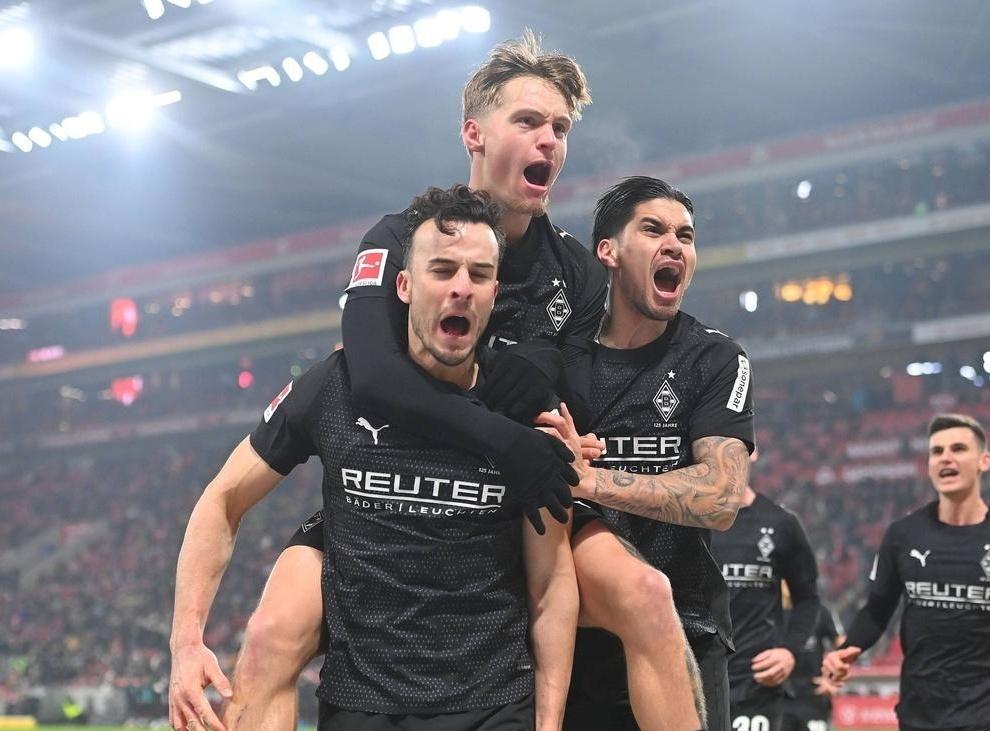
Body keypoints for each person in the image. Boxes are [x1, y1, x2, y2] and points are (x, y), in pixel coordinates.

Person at [171, 32, 707, 731]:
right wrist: (504, 431)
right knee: (273, 632)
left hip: (514, 497)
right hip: (395, 490)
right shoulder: (397, 238)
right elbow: (373, 379)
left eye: (560, 128)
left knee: (646, 595)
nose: (548, 140)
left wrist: (544, 425)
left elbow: (555, 393)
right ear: (474, 133)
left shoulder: (576, 272)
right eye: (527, 121)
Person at [169, 185, 577, 731]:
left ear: (494, 293)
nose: (461, 288)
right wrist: (185, 643)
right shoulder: (333, 389)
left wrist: (548, 724)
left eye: (479, 275)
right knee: (267, 640)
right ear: (403, 286)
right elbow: (223, 499)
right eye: (442, 270)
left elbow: (552, 583)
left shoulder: (526, 410)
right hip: (362, 703)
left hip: (491, 706)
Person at [540, 176, 755, 731]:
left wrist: (589, 480)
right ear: (607, 251)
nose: (674, 245)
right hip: (577, 638)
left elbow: (721, 497)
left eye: (686, 235)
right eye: (654, 229)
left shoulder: (714, 358)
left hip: (687, 630)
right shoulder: (559, 360)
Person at [823, 413, 990, 731]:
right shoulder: (902, 535)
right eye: (937, 451)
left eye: (958, 449)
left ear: (984, 461)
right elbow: (877, 609)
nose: (945, 458)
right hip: (920, 714)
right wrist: (847, 649)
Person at [709, 467, 821, 731]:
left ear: (752, 451)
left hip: (757, 684)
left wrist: (789, 651)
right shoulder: (689, 521)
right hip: (698, 681)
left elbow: (808, 599)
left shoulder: (781, 523)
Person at [779, 600, 844, 731]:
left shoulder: (820, 610)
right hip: (777, 698)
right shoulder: (769, 612)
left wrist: (832, 679)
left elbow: (842, 645)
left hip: (813, 697)